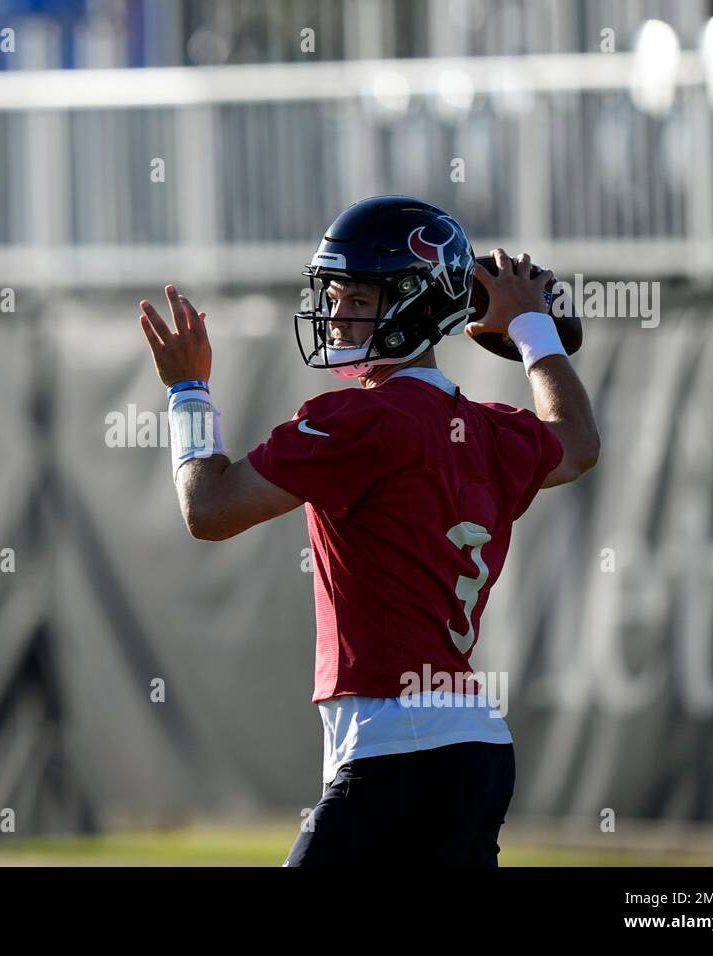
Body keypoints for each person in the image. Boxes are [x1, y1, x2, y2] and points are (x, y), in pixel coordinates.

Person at [137, 196, 600, 866]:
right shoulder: (493, 432)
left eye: (357, 297)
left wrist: (187, 393)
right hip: (475, 751)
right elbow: (578, 441)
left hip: (396, 748)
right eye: (334, 295)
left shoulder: (363, 421)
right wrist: (533, 330)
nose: (335, 313)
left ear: (413, 304)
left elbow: (208, 508)